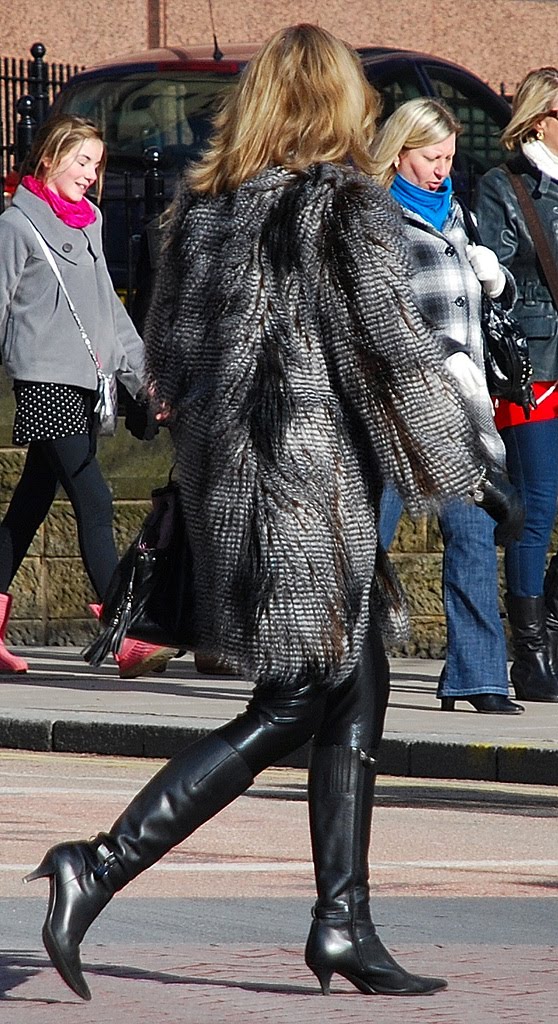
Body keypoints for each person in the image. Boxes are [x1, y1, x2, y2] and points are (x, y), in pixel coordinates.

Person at [24, 25, 521, 1003]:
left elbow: (168, 365)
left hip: (240, 488)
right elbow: (391, 356)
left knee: (360, 688)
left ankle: (343, 920)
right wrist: (471, 469)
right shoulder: (340, 208)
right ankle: (99, 864)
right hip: (310, 491)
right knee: (296, 700)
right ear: (336, 104)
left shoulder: (205, 212)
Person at [0, 114, 175, 679]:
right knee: (94, 500)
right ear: (49, 158)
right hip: (45, 381)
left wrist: (145, 378)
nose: (90, 173)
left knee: (29, 505)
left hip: (86, 381)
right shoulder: (16, 226)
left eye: (96, 164)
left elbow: (109, 310)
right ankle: (124, 632)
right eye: (81, 161)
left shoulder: (90, 222)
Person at [370, 97, 523, 714]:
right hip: (394, 402)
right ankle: (341, 670)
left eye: (450, 158)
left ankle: (479, 678)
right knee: (367, 540)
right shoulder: (374, 217)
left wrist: (497, 280)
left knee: (472, 533)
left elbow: (482, 304)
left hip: (460, 405)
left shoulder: (458, 212)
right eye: (431, 157)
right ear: (400, 150)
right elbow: (375, 313)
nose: (442, 170)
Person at [474, 67, 558, 703]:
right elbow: (495, 278)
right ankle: (529, 657)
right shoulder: (504, 187)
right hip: (533, 367)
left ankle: (549, 628)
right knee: (538, 504)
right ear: (539, 120)